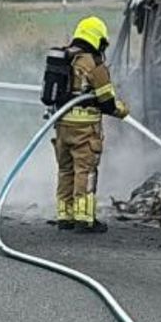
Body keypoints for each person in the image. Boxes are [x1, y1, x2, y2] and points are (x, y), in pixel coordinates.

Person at [53, 16, 129, 233]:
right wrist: (122, 110)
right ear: (98, 39)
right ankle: (85, 218)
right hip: (84, 130)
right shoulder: (93, 64)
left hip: (61, 126)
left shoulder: (65, 58)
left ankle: (64, 216)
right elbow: (107, 102)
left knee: (65, 170)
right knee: (84, 171)